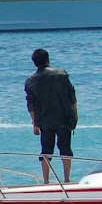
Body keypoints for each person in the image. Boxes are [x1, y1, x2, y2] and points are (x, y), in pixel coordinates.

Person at [25, 47, 78, 184]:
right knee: (65, 148)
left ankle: (46, 181)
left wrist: (35, 124)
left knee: (46, 150)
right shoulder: (61, 74)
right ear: (48, 59)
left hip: (44, 121)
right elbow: (72, 96)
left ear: (34, 62)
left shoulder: (30, 81)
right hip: (64, 118)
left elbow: (31, 105)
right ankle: (66, 180)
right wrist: (75, 115)